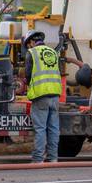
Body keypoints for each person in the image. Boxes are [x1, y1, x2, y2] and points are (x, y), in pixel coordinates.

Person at [23, 31, 62, 163]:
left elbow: (28, 75)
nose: (28, 48)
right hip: (55, 94)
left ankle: (38, 159)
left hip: (40, 95)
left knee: (40, 129)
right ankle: (53, 158)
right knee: (54, 128)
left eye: (28, 45)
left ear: (31, 42)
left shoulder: (32, 53)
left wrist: (27, 87)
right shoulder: (53, 52)